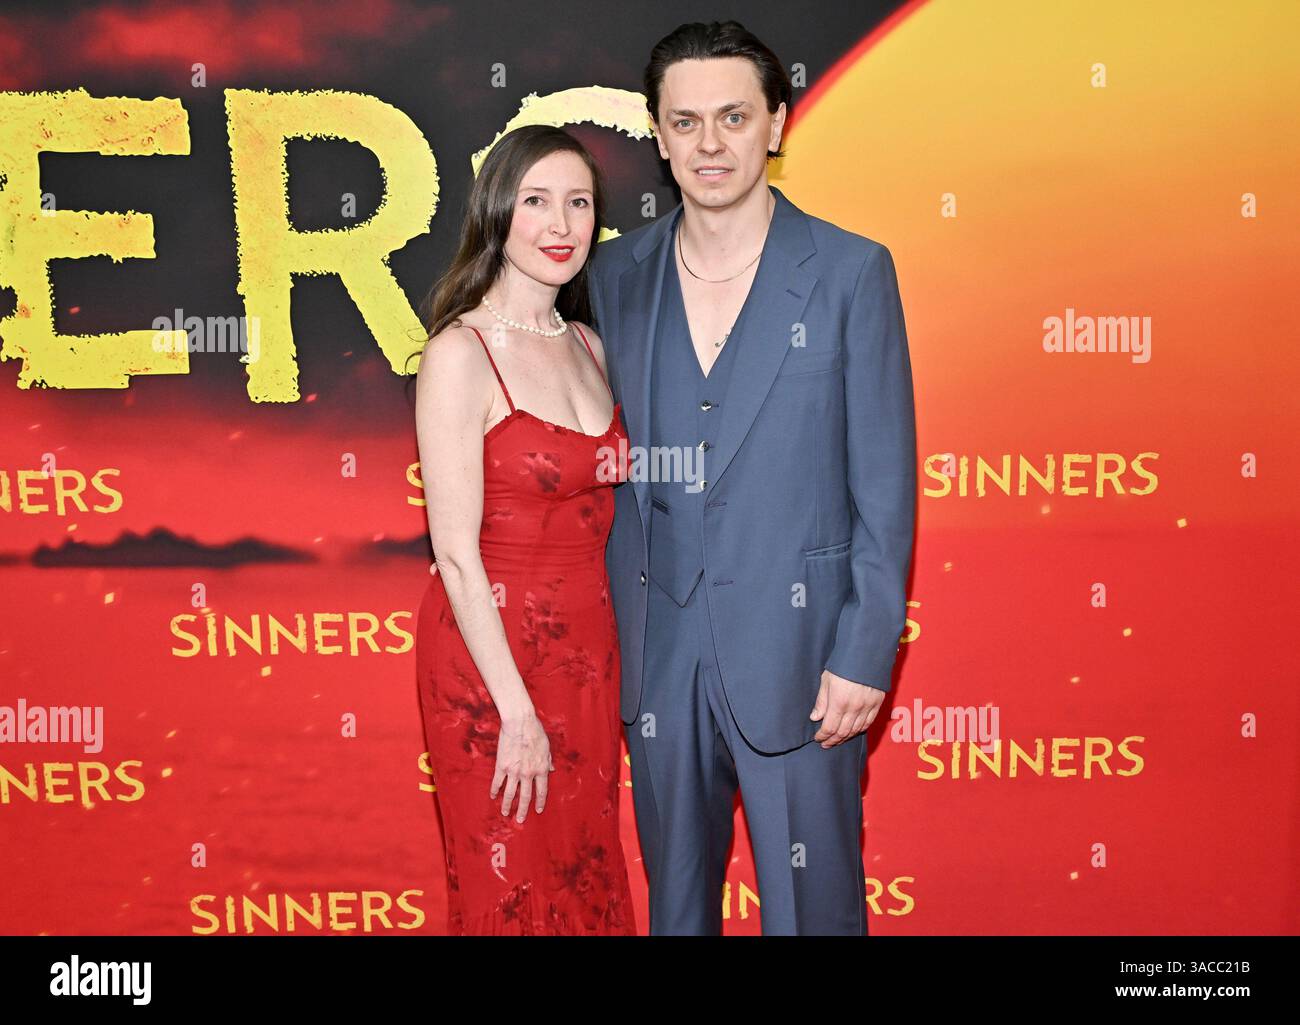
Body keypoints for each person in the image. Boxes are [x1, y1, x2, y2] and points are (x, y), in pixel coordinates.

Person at [587, 21, 918, 935]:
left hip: (806, 654)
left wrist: (864, 648)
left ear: (775, 124)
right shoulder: (615, 275)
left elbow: (886, 484)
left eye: (732, 117)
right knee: (677, 909)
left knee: (814, 913)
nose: (709, 143)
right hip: (658, 655)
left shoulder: (851, 272)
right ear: (658, 136)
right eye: (685, 122)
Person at [411, 125, 635, 935]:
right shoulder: (459, 354)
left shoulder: (590, 347)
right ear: (499, 213)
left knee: (584, 864)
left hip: (588, 659)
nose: (560, 224)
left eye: (578, 203)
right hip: (488, 664)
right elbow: (456, 555)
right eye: (536, 201)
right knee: (508, 880)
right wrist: (515, 710)